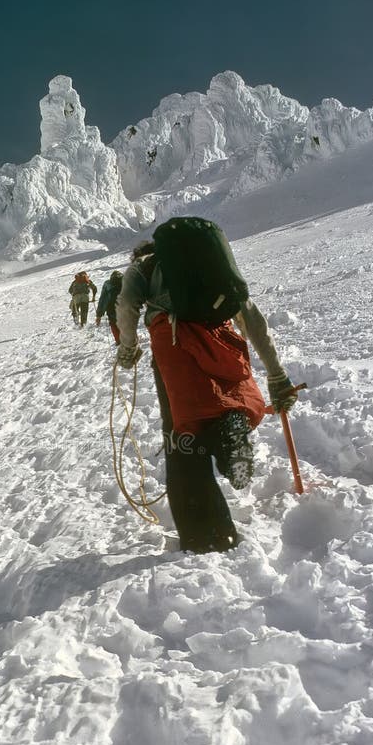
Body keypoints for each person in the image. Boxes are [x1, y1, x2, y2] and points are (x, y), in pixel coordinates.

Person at [115, 218, 298, 555]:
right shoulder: (210, 267)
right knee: (229, 398)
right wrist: (277, 376)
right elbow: (249, 314)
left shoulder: (143, 266)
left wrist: (127, 348)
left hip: (174, 344)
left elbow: (126, 305)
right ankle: (229, 434)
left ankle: (204, 536)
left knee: (183, 435)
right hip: (221, 337)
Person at [95, 270, 123, 343]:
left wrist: (99, 315)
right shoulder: (126, 281)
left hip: (112, 307)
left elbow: (103, 299)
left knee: (114, 323)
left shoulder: (107, 284)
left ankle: (119, 341)